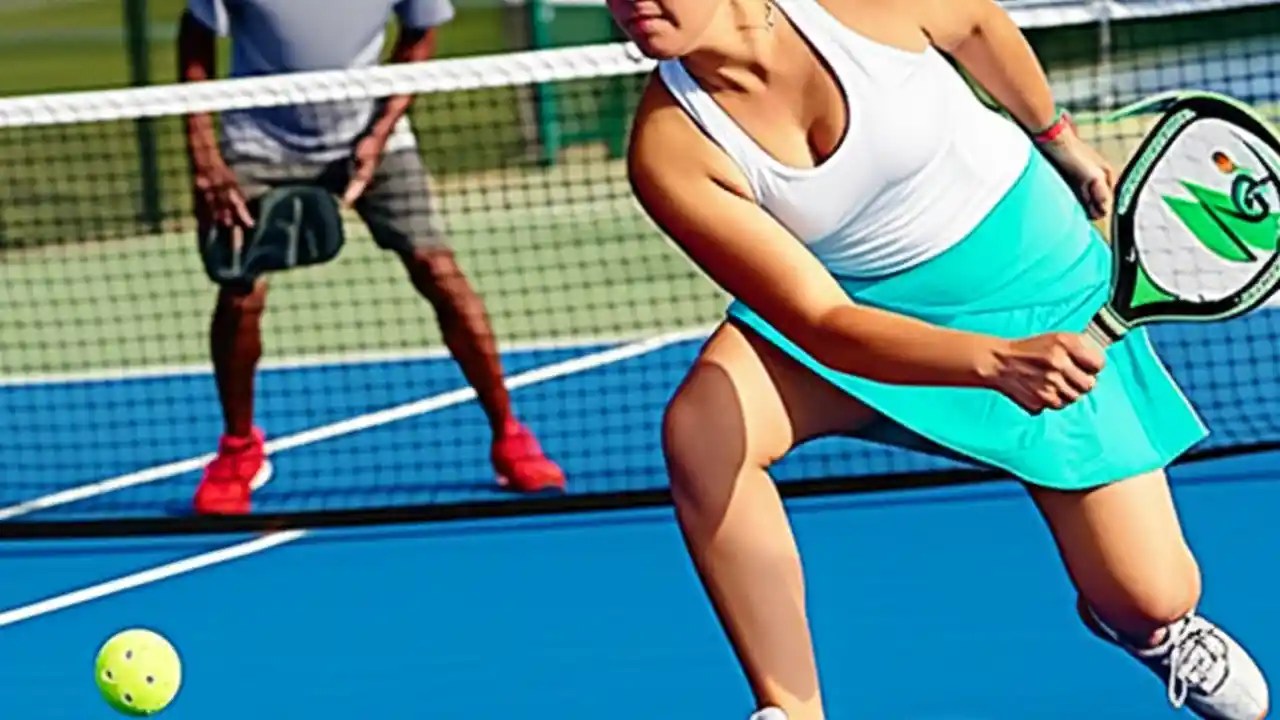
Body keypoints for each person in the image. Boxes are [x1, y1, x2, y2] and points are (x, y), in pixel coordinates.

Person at [608, 0, 1270, 718]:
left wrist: (1057, 137)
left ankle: (1150, 632)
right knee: (704, 431)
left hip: (1038, 281)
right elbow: (821, 320)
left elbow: (978, 27)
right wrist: (989, 361)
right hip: (857, 315)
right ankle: (790, 709)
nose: (632, 2)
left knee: (1152, 594)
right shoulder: (670, 150)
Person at [178, 0, 566, 515]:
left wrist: (380, 133)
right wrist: (205, 159)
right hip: (258, 145)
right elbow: (195, 41)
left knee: (438, 270)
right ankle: (238, 449)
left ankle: (509, 434)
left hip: (372, 135)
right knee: (240, 293)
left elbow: (420, 33)